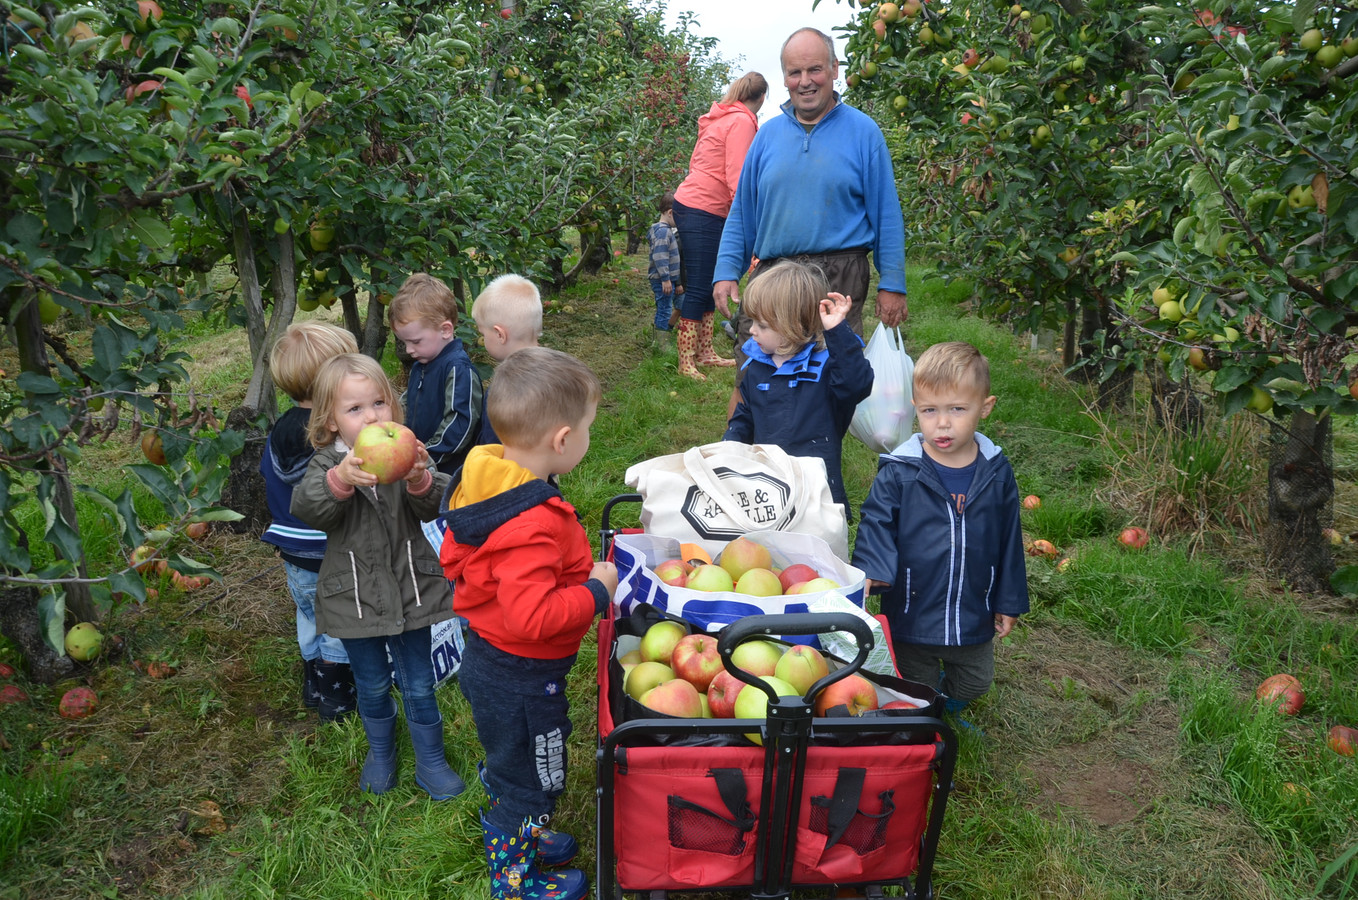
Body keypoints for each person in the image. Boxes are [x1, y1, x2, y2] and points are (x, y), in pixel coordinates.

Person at [439, 348, 618, 900]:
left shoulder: (495, 479)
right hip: (521, 675)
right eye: (588, 427)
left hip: (496, 662)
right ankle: (514, 879)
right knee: (535, 775)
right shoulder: (531, 520)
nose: (588, 436)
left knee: (514, 759)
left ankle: (525, 834)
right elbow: (532, 614)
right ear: (562, 440)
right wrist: (595, 590)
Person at [290, 353, 467, 801]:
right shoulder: (326, 466)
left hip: (412, 589)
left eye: (379, 404)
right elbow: (310, 508)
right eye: (355, 409)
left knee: (420, 680)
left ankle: (431, 761)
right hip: (353, 597)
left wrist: (420, 479)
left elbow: (436, 508)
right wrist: (340, 479)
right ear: (330, 422)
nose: (371, 416)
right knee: (369, 683)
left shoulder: (404, 451)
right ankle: (381, 753)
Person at [712, 28, 909, 382]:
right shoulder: (767, 137)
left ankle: (817, 439)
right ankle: (747, 439)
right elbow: (743, 212)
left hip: (839, 276)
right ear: (784, 77)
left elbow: (887, 214)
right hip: (774, 273)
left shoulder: (864, 133)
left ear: (834, 69)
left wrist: (892, 282)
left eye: (815, 69)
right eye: (794, 73)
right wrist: (727, 270)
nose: (805, 81)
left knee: (830, 381)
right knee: (755, 377)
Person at [851, 341, 1028, 725]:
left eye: (957, 410)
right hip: (914, 607)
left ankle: (946, 704)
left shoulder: (996, 472)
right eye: (930, 411)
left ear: (986, 406)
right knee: (917, 684)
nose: (942, 423)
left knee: (977, 681)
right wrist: (874, 570)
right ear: (916, 408)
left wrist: (1008, 600)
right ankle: (927, 720)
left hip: (973, 607)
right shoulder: (901, 470)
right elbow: (877, 521)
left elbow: (1009, 538)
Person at [259, 322, 360, 722]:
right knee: (338, 621)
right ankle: (338, 697)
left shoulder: (278, 431)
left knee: (309, 614)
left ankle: (313, 681)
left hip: (292, 552)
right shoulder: (328, 436)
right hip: (327, 549)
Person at [722, 260, 873, 518]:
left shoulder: (826, 366)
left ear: (793, 325)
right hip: (768, 483)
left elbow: (857, 384)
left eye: (763, 325)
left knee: (816, 549)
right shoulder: (758, 366)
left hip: (817, 488)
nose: (752, 330)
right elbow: (746, 415)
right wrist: (729, 449)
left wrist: (838, 332)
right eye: (752, 321)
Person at [672, 71, 768, 381]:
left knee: (713, 279)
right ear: (762, 98)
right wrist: (747, 216)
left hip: (700, 204)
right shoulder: (740, 122)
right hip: (703, 207)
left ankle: (705, 351)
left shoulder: (721, 117)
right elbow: (737, 175)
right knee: (701, 284)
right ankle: (686, 361)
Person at [388, 273, 483, 478]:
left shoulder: (458, 369)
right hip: (420, 464)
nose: (409, 350)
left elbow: (460, 423)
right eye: (405, 342)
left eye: (416, 341)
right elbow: (410, 400)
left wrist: (428, 457)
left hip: (448, 471)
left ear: (445, 330)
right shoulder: (422, 363)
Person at [470, 273, 544, 446]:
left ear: (499, 335)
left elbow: (492, 442)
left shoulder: (504, 387)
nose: (482, 339)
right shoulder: (553, 371)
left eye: (483, 334)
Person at [645, 191, 682, 348]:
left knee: (664, 307)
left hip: (665, 279)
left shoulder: (662, 230)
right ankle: (661, 344)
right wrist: (666, 278)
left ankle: (659, 341)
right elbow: (660, 257)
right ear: (670, 213)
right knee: (664, 310)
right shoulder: (663, 232)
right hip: (662, 280)